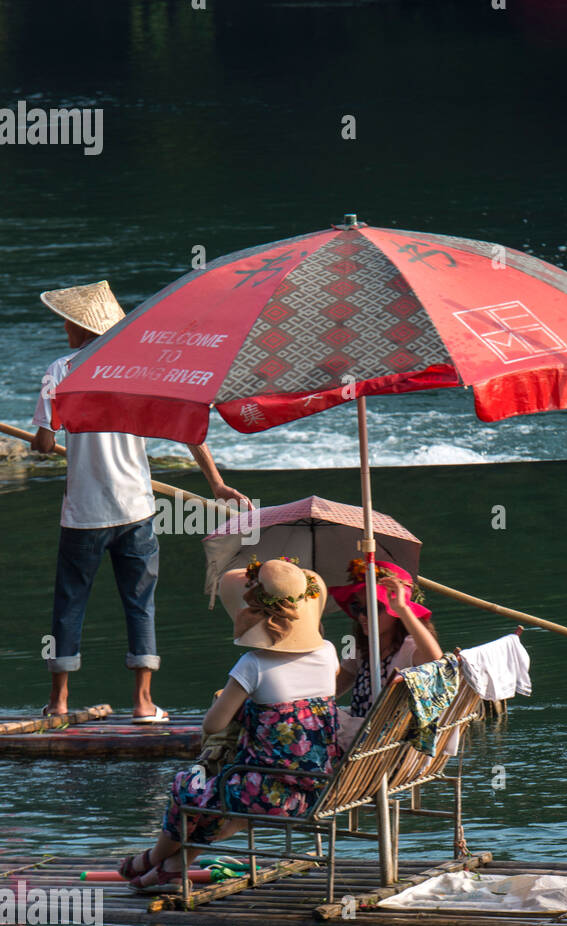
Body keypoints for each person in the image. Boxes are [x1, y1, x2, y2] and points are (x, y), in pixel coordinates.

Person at [30, 279, 250, 721]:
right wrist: (217, 485)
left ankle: (58, 702)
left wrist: (59, 445)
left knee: (70, 604)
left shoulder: (60, 371)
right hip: (136, 511)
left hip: (84, 516)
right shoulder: (140, 369)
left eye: (67, 323)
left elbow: (40, 442)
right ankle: (144, 703)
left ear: (79, 327)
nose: (64, 330)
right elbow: (186, 426)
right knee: (139, 604)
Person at [119, 559, 340, 892]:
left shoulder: (252, 665)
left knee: (187, 787)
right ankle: (169, 869)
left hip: (265, 790)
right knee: (216, 799)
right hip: (316, 789)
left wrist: (233, 701)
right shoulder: (328, 652)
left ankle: (153, 859)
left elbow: (213, 724)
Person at [328, 561, 442, 747]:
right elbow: (333, 689)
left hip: (385, 744)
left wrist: (403, 608)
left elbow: (435, 659)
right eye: (358, 608)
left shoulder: (409, 647)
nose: (363, 617)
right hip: (356, 738)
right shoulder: (361, 647)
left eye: (374, 609)